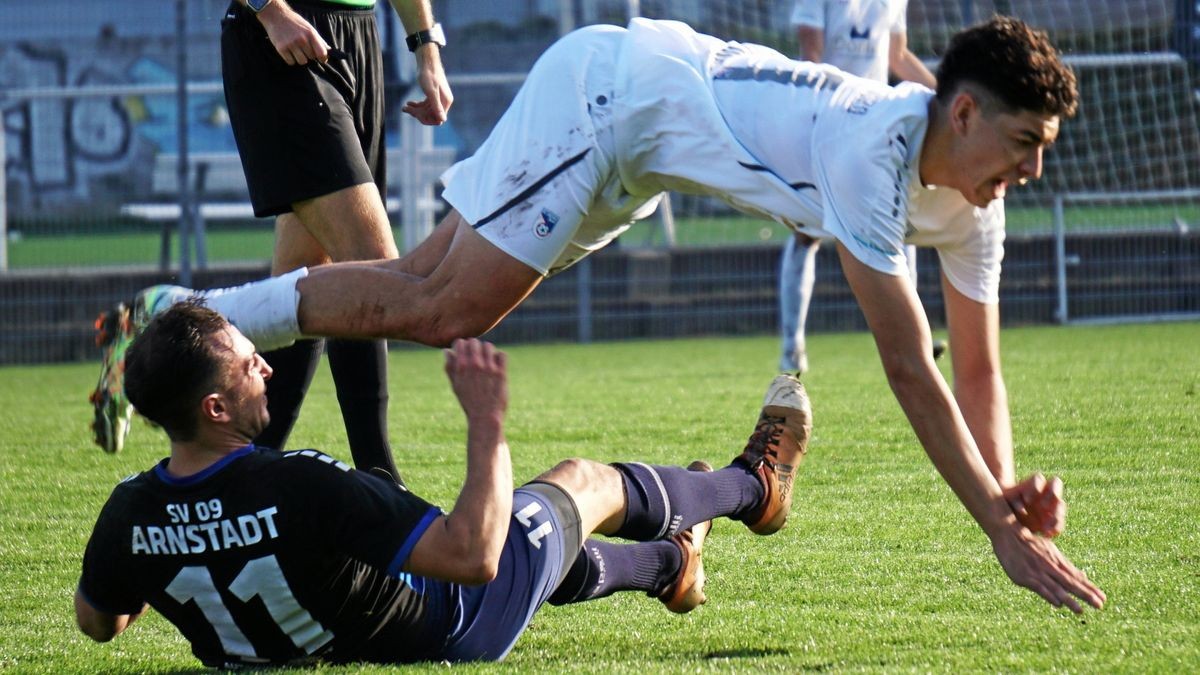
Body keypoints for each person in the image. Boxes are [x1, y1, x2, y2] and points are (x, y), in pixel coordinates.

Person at [96, 15, 1107, 612]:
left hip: (636, 133)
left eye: (1043, 150)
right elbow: (907, 366)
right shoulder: (876, 153)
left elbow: (977, 371)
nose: (1031, 168)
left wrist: (1011, 496)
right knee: (447, 310)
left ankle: (184, 309)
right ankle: (190, 310)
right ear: (961, 112)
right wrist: (995, 531)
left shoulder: (976, 205)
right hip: (613, 100)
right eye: (1024, 141)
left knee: (413, 290)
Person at [75, 302, 812, 666]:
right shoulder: (301, 484)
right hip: (458, 618)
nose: (266, 364)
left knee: (547, 547)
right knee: (579, 485)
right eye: (246, 365)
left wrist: (187, 549)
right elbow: (474, 556)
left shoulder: (127, 514)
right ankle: (757, 489)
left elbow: (99, 621)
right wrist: (486, 421)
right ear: (214, 409)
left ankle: (670, 565)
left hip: (347, 644)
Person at [88, 0, 454, 479]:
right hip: (283, 36)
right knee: (374, 271)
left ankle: (242, 468)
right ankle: (382, 479)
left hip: (357, 39)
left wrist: (426, 48)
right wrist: (271, 11)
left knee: (307, 278)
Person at [780, 0, 938, 373]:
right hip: (828, 126)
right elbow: (811, 59)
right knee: (806, 234)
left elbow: (897, 56)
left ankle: (915, 343)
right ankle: (792, 348)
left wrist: (941, 94)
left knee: (900, 227)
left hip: (880, 130)